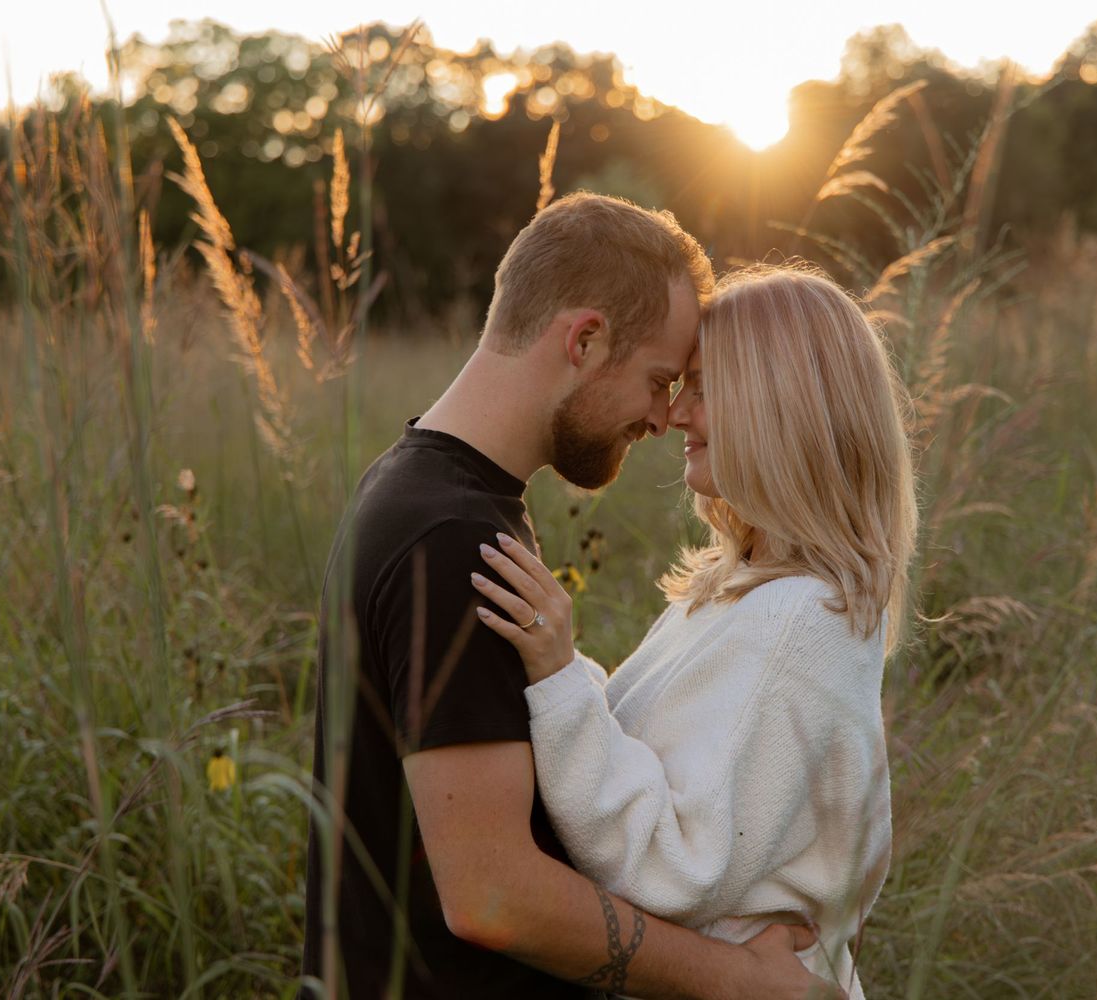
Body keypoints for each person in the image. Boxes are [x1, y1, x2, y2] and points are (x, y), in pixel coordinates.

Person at [299, 195, 842, 1000]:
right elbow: (492, 897)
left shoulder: (429, 490)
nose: (664, 417)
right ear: (584, 340)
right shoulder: (451, 540)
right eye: (659, 381)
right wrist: (736, 981)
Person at [470, 264, 917, 1000]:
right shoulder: (744, 593)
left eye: (704, 387)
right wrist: (559, 663)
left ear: (780, 405)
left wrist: (555, 674)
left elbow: (678, 867)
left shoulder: (801, 623)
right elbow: (654, 761)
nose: (676, 414)